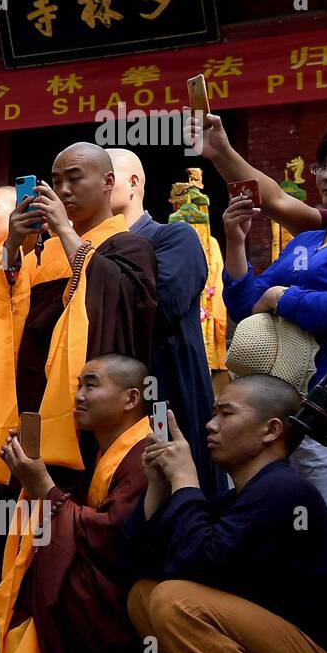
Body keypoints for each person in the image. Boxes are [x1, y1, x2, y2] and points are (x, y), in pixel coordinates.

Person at [126, 375, 327, 653]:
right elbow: (133, 562)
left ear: (271, 430)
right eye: (213, 414)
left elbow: (198, 563)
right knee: (143, 595)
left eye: (226, 414)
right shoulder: (235, 499)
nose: (210, 426)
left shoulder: (286, 490)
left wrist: (186, 481)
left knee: (176, 600)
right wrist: (159, 489)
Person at [0, 142, 158, 485]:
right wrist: (12, 246)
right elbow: (11, 304)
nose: (63, 190)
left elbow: (117, 305)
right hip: (31, 396)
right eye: (56, 180)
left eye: (74, 178)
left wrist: (65, 229)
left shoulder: (130, 245)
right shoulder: (46, 251)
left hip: (82, 406)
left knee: (66, 500)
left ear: (107, 181)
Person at [0, 355, 152, 653]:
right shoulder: (111, 449)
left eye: (91, 385)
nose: (79, 395)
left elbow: (110, 537)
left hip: (123, 599)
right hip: (106, 585)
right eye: (78, 385)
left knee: (54, 568)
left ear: (131, 399)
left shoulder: (145, 456)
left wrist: (43, 486)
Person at [221, 122, 327, 553]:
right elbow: (246, 303)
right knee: (275, 534)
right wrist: (236, 245)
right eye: (322, 166)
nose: (325, 175)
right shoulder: (309, 240)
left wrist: (283, 296)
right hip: (282, 409)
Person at [109, 149, 217, 494]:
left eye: (104, 177)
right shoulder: (79, 249)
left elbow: (161, 304)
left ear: (133, 183)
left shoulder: (173, 238)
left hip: (165, 394)